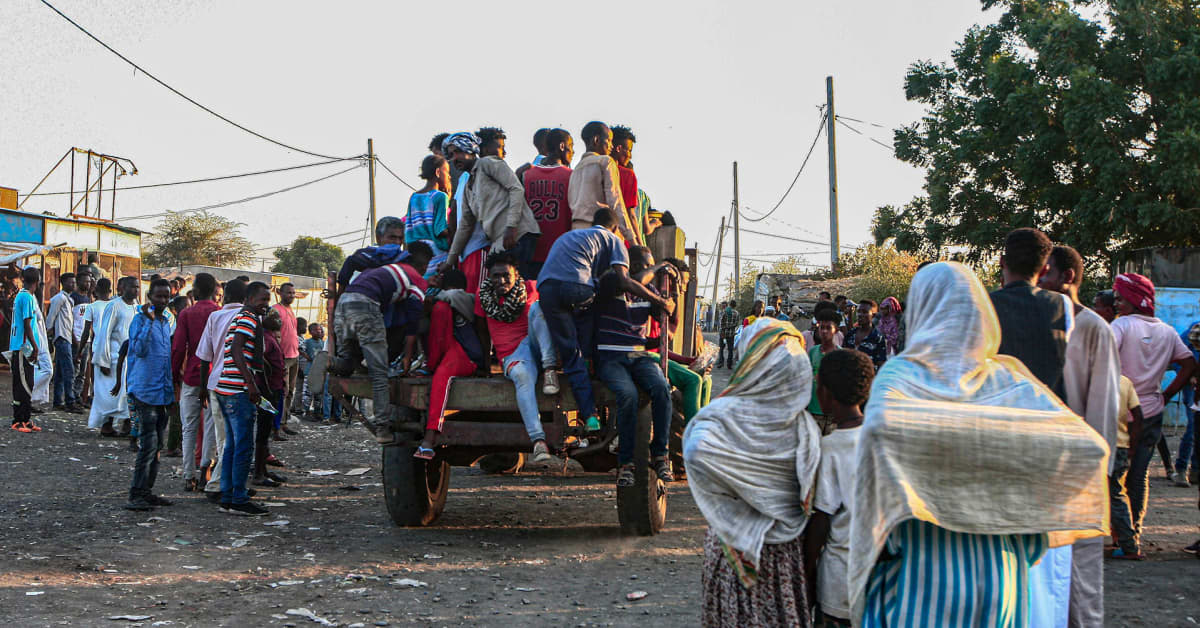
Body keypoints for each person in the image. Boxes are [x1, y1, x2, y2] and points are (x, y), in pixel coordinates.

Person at [849, 262, 1109, 626]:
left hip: (917, 582)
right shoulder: (1008, 381)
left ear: (920, 309)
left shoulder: (901, 376)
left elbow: (877, 447)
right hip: (1000, 576)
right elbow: (1087, 447)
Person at [684, 318, 822, 627]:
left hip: (734, 546)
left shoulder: (722, 416)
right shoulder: (804, 428)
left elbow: (696, 450)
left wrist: (734, 487)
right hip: (784, 555)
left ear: (750, 362)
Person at [1038, 244, 1121, 625]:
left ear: (1068, 276)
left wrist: (1098, 468)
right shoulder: (1039, 321)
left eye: (1047, 272)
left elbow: (1103, 400)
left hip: (1083, 463)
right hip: (1044, 464)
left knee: (1083, 570)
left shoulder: (1092, 327)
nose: (1040, 280)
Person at [536, 209, 669, 432]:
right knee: (592, 311)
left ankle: (588, 413)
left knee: (570, 353)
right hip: (577, 288)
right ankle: (590, 372)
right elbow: (625, 281)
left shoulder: (571, 236)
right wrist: (660, 300)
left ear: (592, 222)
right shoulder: (613, 240)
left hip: (547, 289)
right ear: (615, 228)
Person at [1110, 271, 1196, 558]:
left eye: (1121, 297)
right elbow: (1188, 364)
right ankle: (1134, 531)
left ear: (1133, 299)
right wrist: (1167, 394)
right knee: (1139, 474)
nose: (1117, 302)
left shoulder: (1121, 327)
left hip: (1121, 413)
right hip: (1152, 411)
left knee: (1115, 476)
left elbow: (1102, 360)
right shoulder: (1168, 331)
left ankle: (1123, 537)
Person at [594, 246, 676, 486]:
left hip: (638, 356)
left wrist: (671, 302)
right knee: (627, 394)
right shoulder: (610, 282)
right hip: (610, 356)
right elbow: (634, 281)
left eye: (648, 266)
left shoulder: (649, 292)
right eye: (641, 266)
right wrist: (659, 267)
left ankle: (660, 454)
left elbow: (668, 323)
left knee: (662, 388)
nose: (646, 271)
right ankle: (626, 463)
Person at [804, 349, 874, 627]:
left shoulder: (831, 448)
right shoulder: (882, 438)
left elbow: (821, 520)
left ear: (825, 394)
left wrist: (807, 574)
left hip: (839, 584)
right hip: (878, 583)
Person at [332, 255, 429, 442]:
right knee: (380, 375)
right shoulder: (418, 281)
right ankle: (383, 429)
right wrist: (408, 358)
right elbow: (412, 323)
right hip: (365, 306)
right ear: (424, 267)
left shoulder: (386, 269)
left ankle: (330, 361)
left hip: (343, 305)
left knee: (348, 362)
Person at [479, 252, 559, 464]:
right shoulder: (483, 297)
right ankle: (538, 440)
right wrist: (484, 365)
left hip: (536, 348)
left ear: (516, 274)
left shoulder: (531, 288)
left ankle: (550, 370)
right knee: (522, 376)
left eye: (506, 275)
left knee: (539, 307)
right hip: (512, 356)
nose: (501, 280)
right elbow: (481, 332)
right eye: (496, 276)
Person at [444, 127, 542, 281]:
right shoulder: (468, 185)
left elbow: (516, 189)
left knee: (518, 285)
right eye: (450, 155)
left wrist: (511, 226)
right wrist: (449, 262)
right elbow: (464, 226)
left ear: (471, 149)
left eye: (458, 152)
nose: (454, 158)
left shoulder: (487, 163)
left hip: (519, 234)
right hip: (501, 241)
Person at [212, 281, 272, 516]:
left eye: (267, 300)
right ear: (248, 298)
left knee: (232, 445)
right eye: (262, 300)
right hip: (238, 389)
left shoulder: (241, 316)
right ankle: (238, 497)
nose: (265, 305)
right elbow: (237, 350)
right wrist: (250, 383)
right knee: (243, 445)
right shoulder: (248, 318)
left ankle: (228, 495)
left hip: (226, 387)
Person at [117, 278, 174, 511]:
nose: (163, 300)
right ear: (150, 297)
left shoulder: (166, 322)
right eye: (159, 296)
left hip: (162, 391)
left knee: (158, 444)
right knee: (148, 444)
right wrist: (149, 323)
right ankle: (136, 493)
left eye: (166, 297)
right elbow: (138, 350)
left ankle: (147, 491)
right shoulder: (140, 320)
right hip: (144, 390)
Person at [417, 269, 482, 458]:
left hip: (465, 355)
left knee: (441, 377)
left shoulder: (465, 298)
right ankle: (430, 365)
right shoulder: (447, 303)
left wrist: (430, 290)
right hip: (449, 350)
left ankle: (430, 434)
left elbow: (452, 295)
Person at [195, 279, 249, 503]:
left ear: (225, 296)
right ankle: (218, 484)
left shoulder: (215, 317)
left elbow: (204, 356)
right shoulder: (248, 318)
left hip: (216, 382)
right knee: (234, 440)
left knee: (223, 437)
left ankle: (226, 483)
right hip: (237, 385)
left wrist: (203, 387)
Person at [171, 273, 220, 492]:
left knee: (189, 426)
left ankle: (188, 474)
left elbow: (179, 347)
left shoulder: (187, 314)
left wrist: (173, 375)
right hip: (214, 376)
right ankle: (206, 469)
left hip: (191, 375)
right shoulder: (219, 313)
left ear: (197, 291)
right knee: (211, 426)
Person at [568, 121, 635, 242]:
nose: (611, 146)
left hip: (576, 233)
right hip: (600, 233)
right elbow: (616, 203)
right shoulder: (606, 162)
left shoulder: (575, 169)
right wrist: (632, 239)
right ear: (596, 140)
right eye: (609, 140)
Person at [88, 276, 139, 434]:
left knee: (127, 393)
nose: (135, 290)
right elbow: (104, 333)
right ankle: (107, 425)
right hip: (113, 357)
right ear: (122, 289)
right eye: (132, 287)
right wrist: (103, 360)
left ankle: (126, 424)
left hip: (130, 357)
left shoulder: (136, 307)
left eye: (137, 287)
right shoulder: (114, 306)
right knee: (110, 394)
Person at [523, 128, 574, 279]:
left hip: (531, 251)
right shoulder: (571, 176)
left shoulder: (526, 175)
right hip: (561, 251)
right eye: (571, 146)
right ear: (562, 146)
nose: (573, 151)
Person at [1110, 374, 1144, 560]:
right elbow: (1138, 415)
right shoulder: (1124, 381)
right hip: (1121, 445)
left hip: (1097, 445)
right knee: (1117, 494)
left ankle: (1128, 545)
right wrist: (1132, 444)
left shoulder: (1089, 379)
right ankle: (1126, 542)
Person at [254, 308, 288, 487]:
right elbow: (259, 361)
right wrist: (266, 387)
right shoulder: (265, 339)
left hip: (274, 388)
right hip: (268, 392)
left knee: (265, 432)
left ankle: (263, 469)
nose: (278, 320)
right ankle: (258, 473)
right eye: (272, 317)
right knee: (262, 431)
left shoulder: (270, 337)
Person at [406, 154, 452, 277]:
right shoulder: (440, 197)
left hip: (417, 252)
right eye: (447, 172)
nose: (449, 176)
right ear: (438, 172)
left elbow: (408, 229)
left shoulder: (414, 197)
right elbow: (440, 230)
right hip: (435, 252)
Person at [9, 267, 42, 433]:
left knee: (23, 383)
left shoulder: (21, 296)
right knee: (24, 384)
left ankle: (25, 419)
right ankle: (20, 419)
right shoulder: (27, 297)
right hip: (23, 347)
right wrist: (35, 346)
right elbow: (28, 325)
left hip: (21, 346)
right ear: (37, 281)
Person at [47, 272, 81, 413]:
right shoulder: (59, 298)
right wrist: (48, 334)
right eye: (70, 282)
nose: (73, 284)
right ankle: (70, 401)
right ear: (64, 283)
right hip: (61, 338)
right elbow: (51, 318)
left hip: (67, 337)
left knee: (61, 372)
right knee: (69, 371)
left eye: (74, 282)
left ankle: (57, 401)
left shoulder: (69, 300)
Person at [79, 277, 112, 419]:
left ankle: (99, 409)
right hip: (112, 347)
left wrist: (79, 351)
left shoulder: (92, 307)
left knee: (96, 379)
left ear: (96, 291)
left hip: (97, 347)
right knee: (110, 380)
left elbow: (86, 331)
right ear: (110, 291)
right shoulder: (115, 305)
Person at [272, 283, 301, 439]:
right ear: (281, 293)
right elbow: (273, 334)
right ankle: (275, 427)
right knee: (281, 392)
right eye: (289, 293)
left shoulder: (289, 310)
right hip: (282, 357)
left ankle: (284, 423)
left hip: (294, 355)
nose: (291, 295)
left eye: (293, 293)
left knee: (290, 392)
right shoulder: (275, 309)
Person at [611, 125, 648, 245]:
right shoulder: (627, 175)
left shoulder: (591, 169)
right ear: (618, 148)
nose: (630, 156)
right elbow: (631, 216)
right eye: (629, 150)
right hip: (622, 241)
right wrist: (640, 246)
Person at [806, 308, 841, 428]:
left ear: (835, 330)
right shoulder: (813, 352)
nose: (824, 331)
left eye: (828, 328)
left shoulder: (841, 355)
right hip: (813, 411)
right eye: (822, 328)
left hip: (833, 414)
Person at [842, 299, 887, 369]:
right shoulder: (850, 334)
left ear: (873, 315)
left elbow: (881, 365)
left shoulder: (878, 338)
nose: (860, 315)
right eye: (858, 311)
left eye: (865, 312)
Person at [71, 269, 94, 404]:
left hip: (87, 339)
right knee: (75, 369)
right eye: (85, 281)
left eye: (89, 282)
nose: (88, 284)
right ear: (78, 282)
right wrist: (74, 339)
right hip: (76, 338)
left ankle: (77, 395)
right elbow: (71, 321)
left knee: (83, 371)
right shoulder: (73, 298)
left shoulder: (87, 298)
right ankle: (71, 395)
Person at [718, 300, 739, 368]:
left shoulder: (724, 311)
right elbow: (736, 324)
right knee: (730, 349)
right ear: (735, 306)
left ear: (729, 304)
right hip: (731, 334)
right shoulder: (737, 313)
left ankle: (721, 362)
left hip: (723, 333)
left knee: (721, 348)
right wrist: (730, 327)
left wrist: (724, 329)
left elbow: (721, 323)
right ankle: (729, 364)